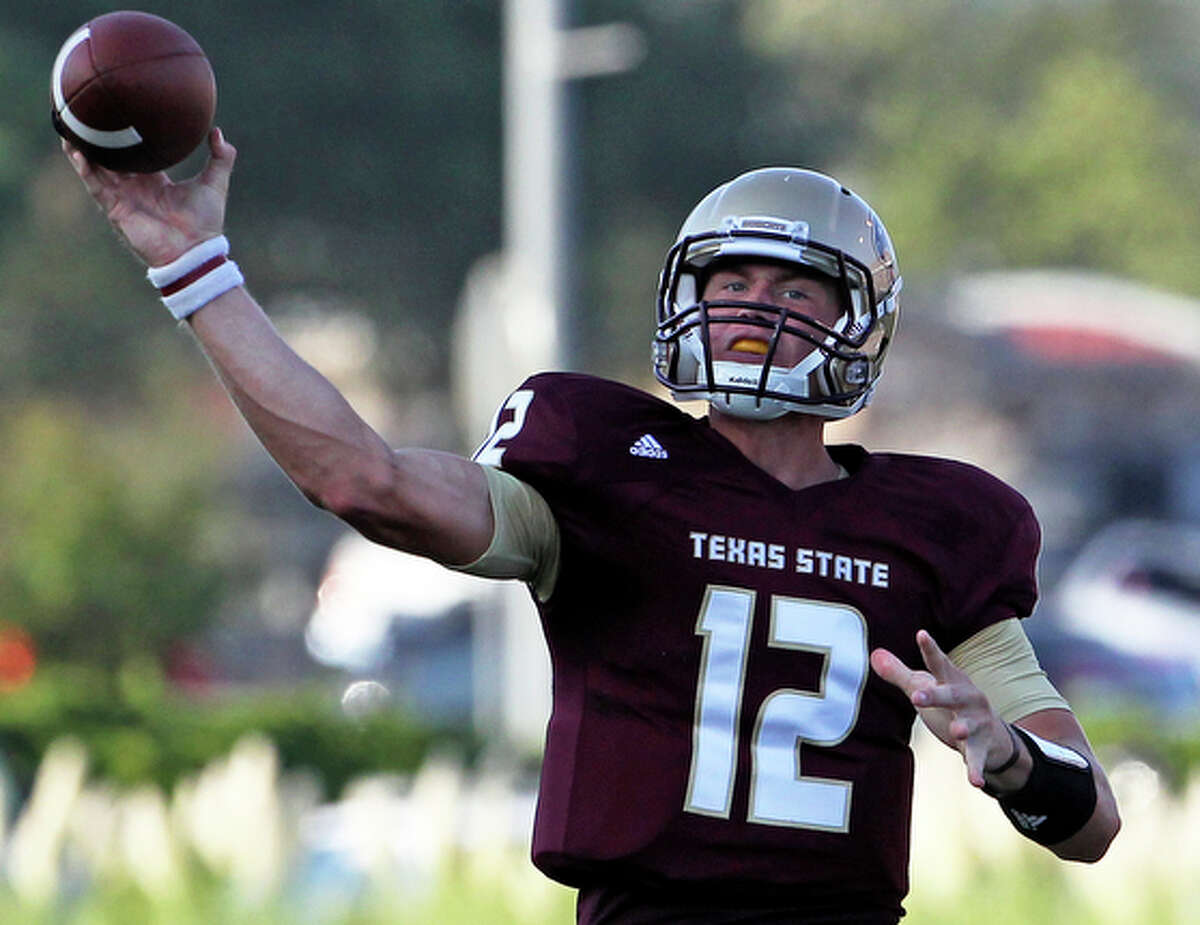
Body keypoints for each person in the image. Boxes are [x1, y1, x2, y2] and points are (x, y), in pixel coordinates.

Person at [64, 130, 1119, 924]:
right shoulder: (607, 460)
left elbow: (1092, 824)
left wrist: (1011, 758)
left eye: (793, 285)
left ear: (857, 322)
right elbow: (363, 480)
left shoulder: (939, 522)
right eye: (730, 280)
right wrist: (196, 268)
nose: (752, 306)